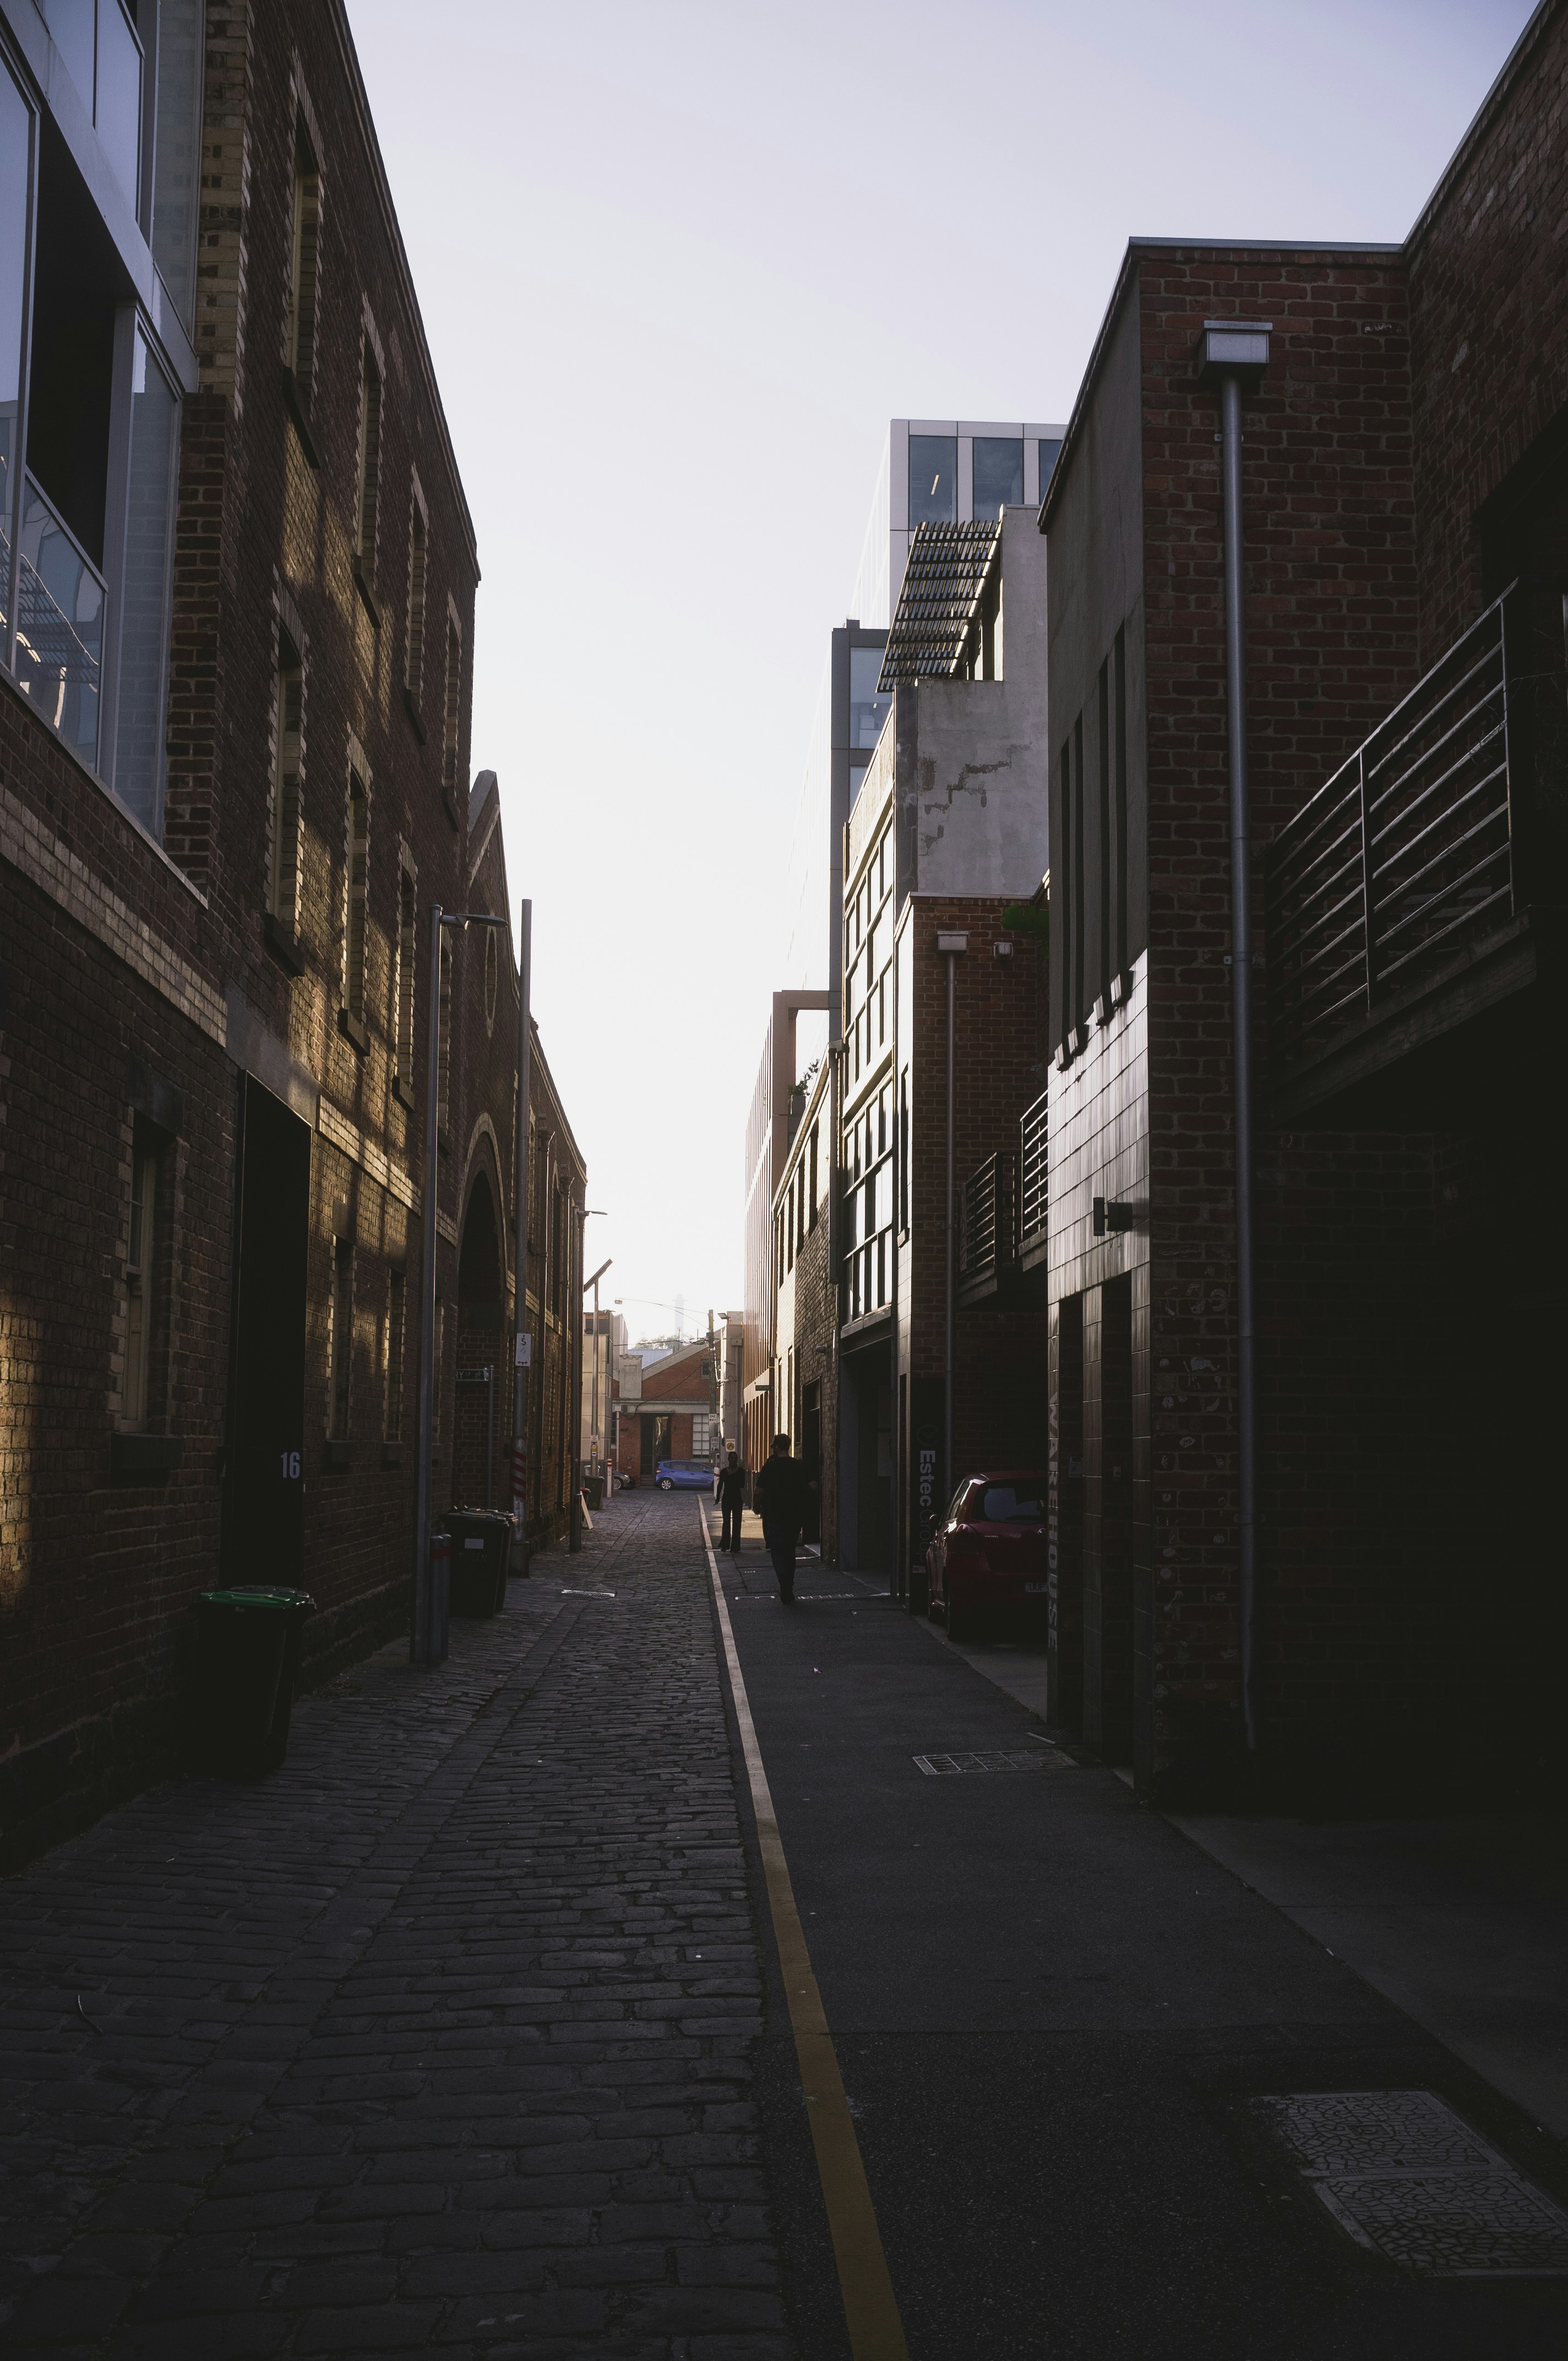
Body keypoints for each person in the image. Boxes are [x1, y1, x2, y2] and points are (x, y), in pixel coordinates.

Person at [752, 1433, 807, 1603]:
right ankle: (788, 1585)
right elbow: (812, 1486)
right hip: (794, 1516)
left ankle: (783, 1582)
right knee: (790, 1552)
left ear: (777, 1447)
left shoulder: (771, 1466)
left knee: (777, 1551)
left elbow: (758, 1491)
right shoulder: (798, 1465)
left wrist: (757, 1506)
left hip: (776, 1515)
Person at [714, 1449, 747, 1554]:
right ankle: (725, 1545)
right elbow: (720, 1486)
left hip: (737, 1499)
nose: (733, 1460)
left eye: (735, 1458)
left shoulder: (741, 1471)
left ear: (737, 1460)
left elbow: (742, 1485)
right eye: (731, 1458)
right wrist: (718, 1498)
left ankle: (735, 1547)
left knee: (737, 1523)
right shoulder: (724, 1472)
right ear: (729, 1460)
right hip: (727, 1499)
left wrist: (734, 1479)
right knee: (726, 1522)